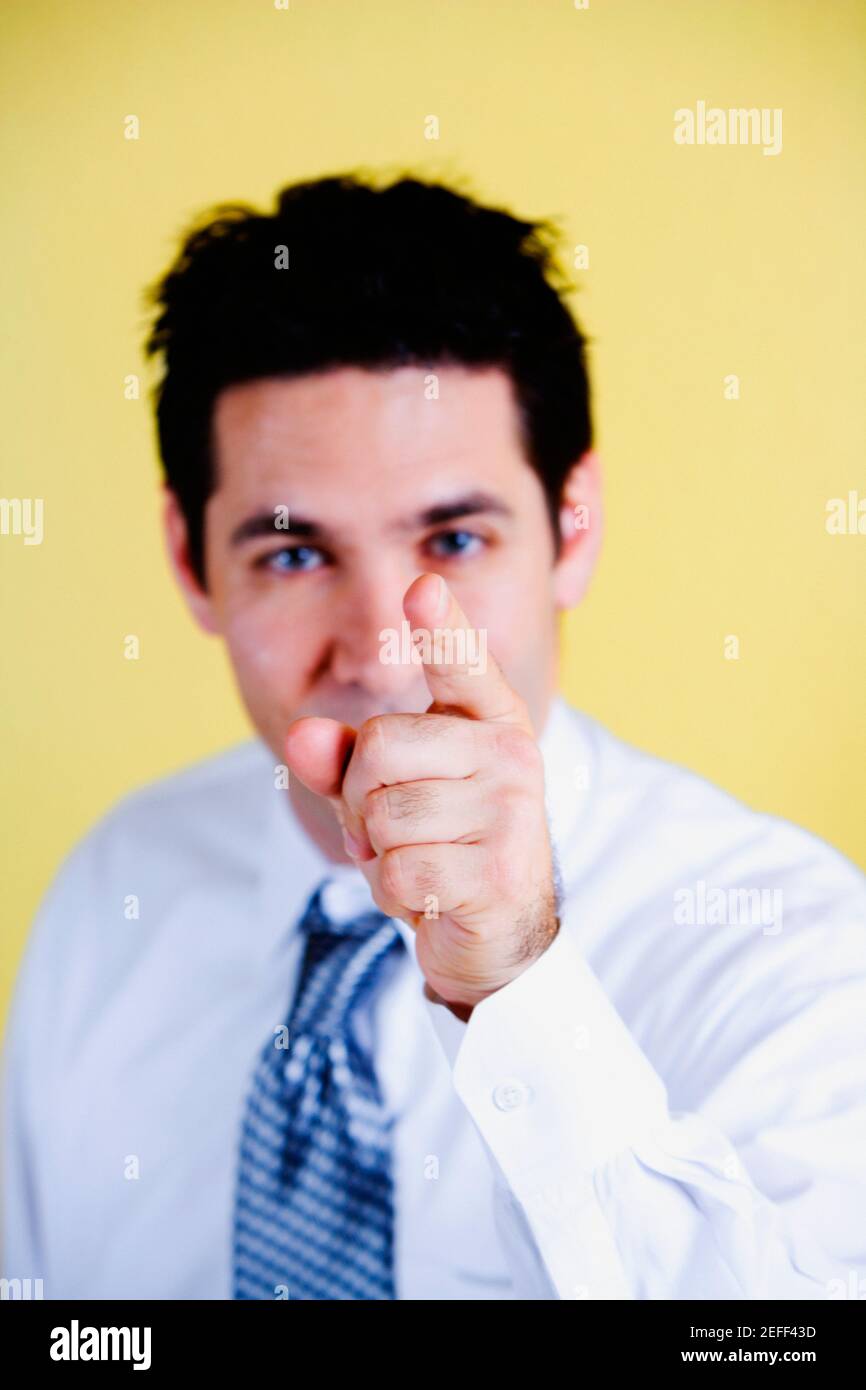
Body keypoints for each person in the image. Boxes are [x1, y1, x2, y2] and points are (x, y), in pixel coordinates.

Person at [2, 173, 865, 1301]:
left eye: (451, 539)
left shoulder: (786, 942)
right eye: (293, 553)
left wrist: (514, 986)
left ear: (571, 526)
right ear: (187, 560)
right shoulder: (119, 889)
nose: (380, 647)